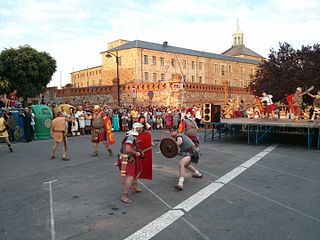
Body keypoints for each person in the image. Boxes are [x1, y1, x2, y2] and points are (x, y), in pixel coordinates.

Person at [118, 122, 145, 203]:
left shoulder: (132, 136)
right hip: (126, 158)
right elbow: (127, 149)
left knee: (139, 169)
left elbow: (133, 147)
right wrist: (136, 153)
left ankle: (133, 185)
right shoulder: (131, 137)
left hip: (129, 157)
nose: (141, 130)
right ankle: (124, 195)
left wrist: (139, 151)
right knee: (130, 176)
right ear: (136, 129)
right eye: (140, 128)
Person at [169, 126, 202, 191]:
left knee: (181, 164)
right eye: (170, 132)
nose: (171, 133)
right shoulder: (180, 135)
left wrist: (172, 146)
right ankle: (197, 173)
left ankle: (180, 184)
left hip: (192, 152)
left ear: (176, 131)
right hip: (193, 152)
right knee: (186, 165)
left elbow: (180, 141)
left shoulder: (178, 136)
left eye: (173, 131)